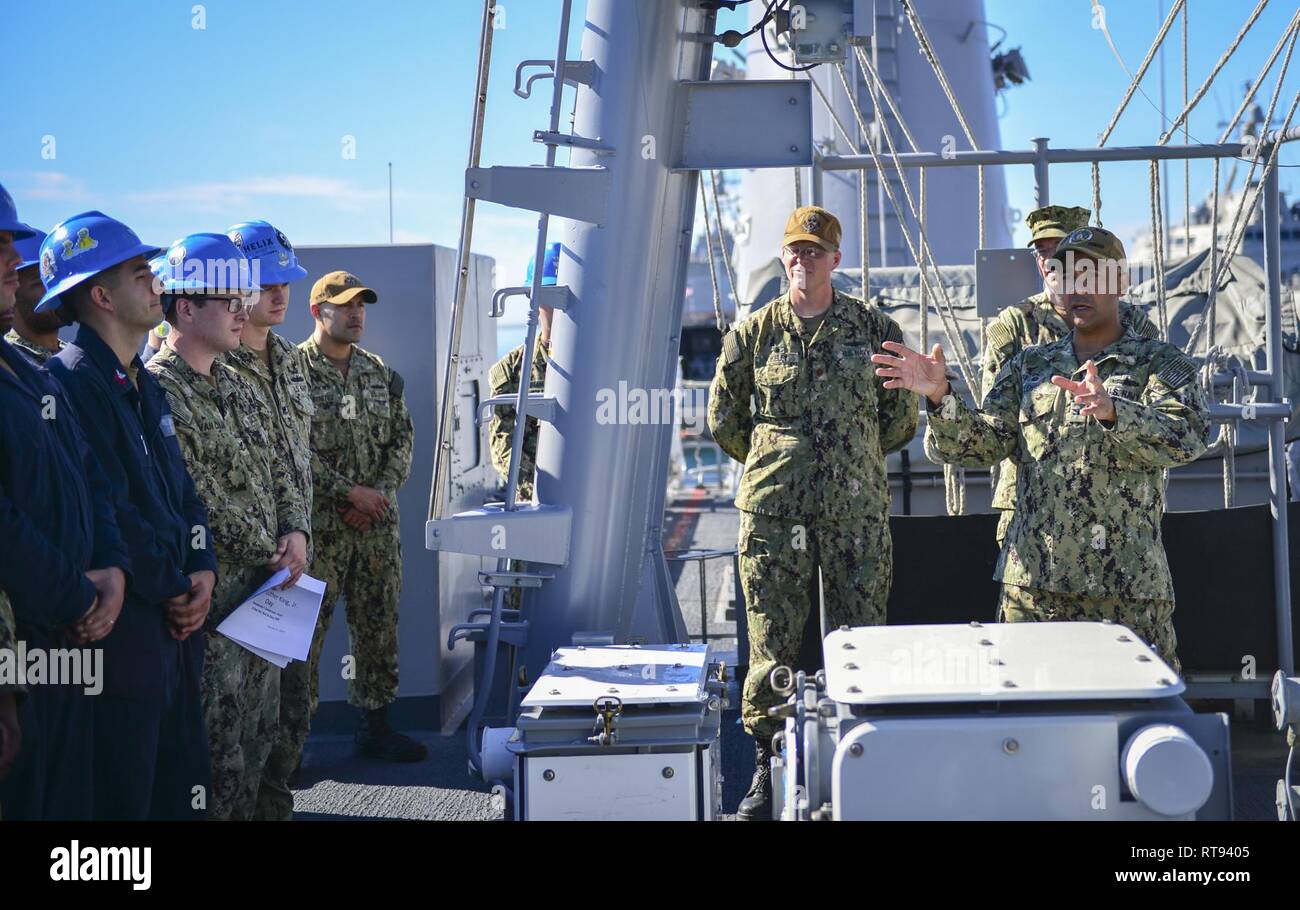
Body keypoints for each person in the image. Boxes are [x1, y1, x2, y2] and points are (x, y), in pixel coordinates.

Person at [873, 226, 1208, 672]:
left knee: (1136, 715)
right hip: (1033, 587)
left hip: (1125, 587)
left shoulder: (1160, 363)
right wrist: (941, 397)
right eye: (1067, 275)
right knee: (1025, 718)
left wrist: (1114, 412)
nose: (1077, 289)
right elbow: (986, 443)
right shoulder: (1030, 366)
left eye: (1091, 275)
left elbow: (1189, 436)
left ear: (1120, 283)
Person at [708, 205, 918, 820]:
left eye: (817, 251)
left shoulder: (875, 329)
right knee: (771, 644)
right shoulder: (752, 334)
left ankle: (864, 765)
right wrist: (780, 462)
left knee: (860, 640)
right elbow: (725, 419)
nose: (805, 260)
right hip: (775, 516)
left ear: (836, 259)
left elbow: (900, 420)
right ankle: (765, 771)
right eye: (796, 250)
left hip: (855, 514)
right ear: (784, 257)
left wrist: (847, 461)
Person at [41, 211, 218, 819]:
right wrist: (176, 586)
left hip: (170, 627)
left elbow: (180, 491)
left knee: (180, 786)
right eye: (142, 274)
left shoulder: (143, 380)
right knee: (126, 798)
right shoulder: (69, 384)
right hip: (129, 635)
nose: (156, 285)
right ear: (100, 295)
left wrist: (203, 566)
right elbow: (106, 505)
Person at [146, 233, 311, 820]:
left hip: (264, 595)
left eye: (246, 295)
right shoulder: (158, 390)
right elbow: (197, 498)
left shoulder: (238, 381)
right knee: (217, 766)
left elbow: (281, 465)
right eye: (230, 298)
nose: (244, 308)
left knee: (262, 744)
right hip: (216, 608)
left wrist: (297, 532)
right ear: (185, 308)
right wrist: (276, 547)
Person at [0, 189, 130, 819]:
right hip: (24, 646)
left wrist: (108, 566)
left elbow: (91, 478)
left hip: (63, 643)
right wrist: (79, 595)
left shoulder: (30, 374)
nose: (11, 261)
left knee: (69, 806)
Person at [977, 205, 1158, 547]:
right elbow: (996, 422)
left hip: (1118, 505)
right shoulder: (1015, 325)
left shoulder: (1134, 324)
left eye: (1061, 253)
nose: (1051, 263)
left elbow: (1162, 417)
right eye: (1044, 253)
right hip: (1034, 511)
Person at [299, 270, 423, 761]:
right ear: (318, 312)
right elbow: (293, 451)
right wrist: (349, 493)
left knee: (377, 627)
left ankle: (375, 726)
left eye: (362, 306)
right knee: (304, 637)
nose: (355, 314)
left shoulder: (379, 372)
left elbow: (403, 440)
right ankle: (293, 742)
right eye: (345, 305)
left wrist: (379, 494)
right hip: (320, 531)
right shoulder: (293, 373)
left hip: (376, 527)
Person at [223, 220, 317, 820]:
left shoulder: (290, 359)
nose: (280, 293)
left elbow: (301, 458)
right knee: (237, 726)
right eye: (266, 281)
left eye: (286, 281)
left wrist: (301, 532)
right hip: (245, 569)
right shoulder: (214, 365)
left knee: (293, 709)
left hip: (298, 559)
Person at [488, 243, 559, 502]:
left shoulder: (601, 365)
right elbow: (503, 444)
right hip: (535, 501)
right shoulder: (512, 370)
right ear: (534, 297)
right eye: (548, 292)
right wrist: (538, 491)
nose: (556, 304)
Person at [3, 228, 65, 365]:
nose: (53, 291)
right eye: (39, 283)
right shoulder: (10, 364)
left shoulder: (78, 355)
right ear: (11, 291)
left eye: (55, 280)